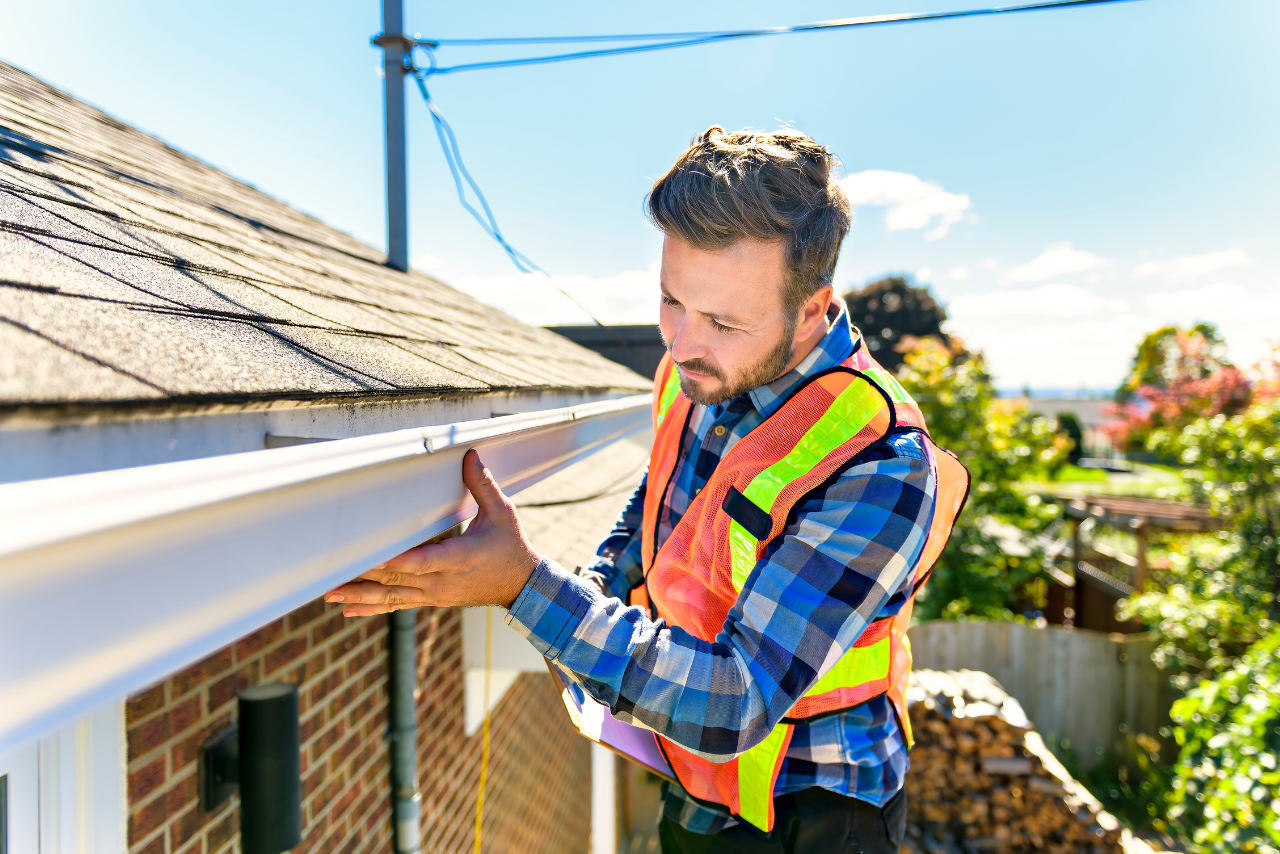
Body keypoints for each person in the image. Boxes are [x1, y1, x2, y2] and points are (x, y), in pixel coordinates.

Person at [325, 126, 968, 854]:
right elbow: (659, 502)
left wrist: (524, 589)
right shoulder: (695, 370)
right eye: (671, 302)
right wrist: (597, 584)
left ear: (814, 309)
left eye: (725, 320)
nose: (684, 343)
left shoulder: (879, 461)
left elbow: (734, 700)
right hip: (694, 786)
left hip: (815, 810)